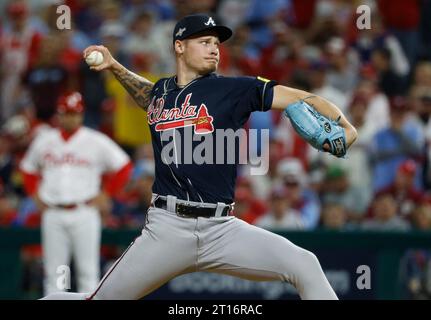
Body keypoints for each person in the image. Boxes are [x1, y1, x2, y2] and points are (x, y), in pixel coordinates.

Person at [42, 14, 357, 300]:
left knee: (305, 264)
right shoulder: (162, 92)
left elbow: (302, 98)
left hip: (222, 228)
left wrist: (344, 125)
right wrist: (113, 66)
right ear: (179, 46)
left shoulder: (235, 89)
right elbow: (147, 95)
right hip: (166, 229)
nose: (214, 48)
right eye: (204, 41)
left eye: (216, 43)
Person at [21, 91, 132, 295]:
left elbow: (124, 166)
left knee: (87, 272)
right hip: (53, 212)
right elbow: (27, 168)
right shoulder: (45, 140)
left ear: (81, 114)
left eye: (75, 113)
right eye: (67, 113)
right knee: (56, 273)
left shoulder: (95, 140)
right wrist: (34, 195)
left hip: (85, 211)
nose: (71, 118)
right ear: (59, 114)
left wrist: (107, 194)